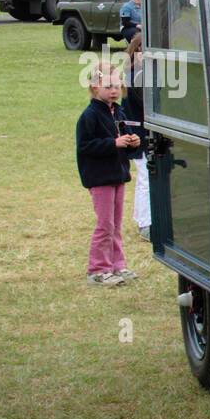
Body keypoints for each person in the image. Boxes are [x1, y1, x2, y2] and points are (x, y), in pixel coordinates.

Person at [76, 61, 139, 286]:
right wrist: (114, 144)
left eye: (116, 85)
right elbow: (85, 146)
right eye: (107, 86)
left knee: (116, 223)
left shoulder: (119, 111)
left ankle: (116, 265)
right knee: (105, 225)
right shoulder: (89, 116)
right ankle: (98, 270)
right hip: (100, 177)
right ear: (94, 87)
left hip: (118, 175)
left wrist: (132, 141)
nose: (113, 91)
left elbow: (127, 134)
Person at [122, 33, 151, 240]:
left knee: (147, 177)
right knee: (145, 179)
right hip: (138, 133)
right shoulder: (136, 77)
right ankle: (145, 223)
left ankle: (144, 218)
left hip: (142, 132)